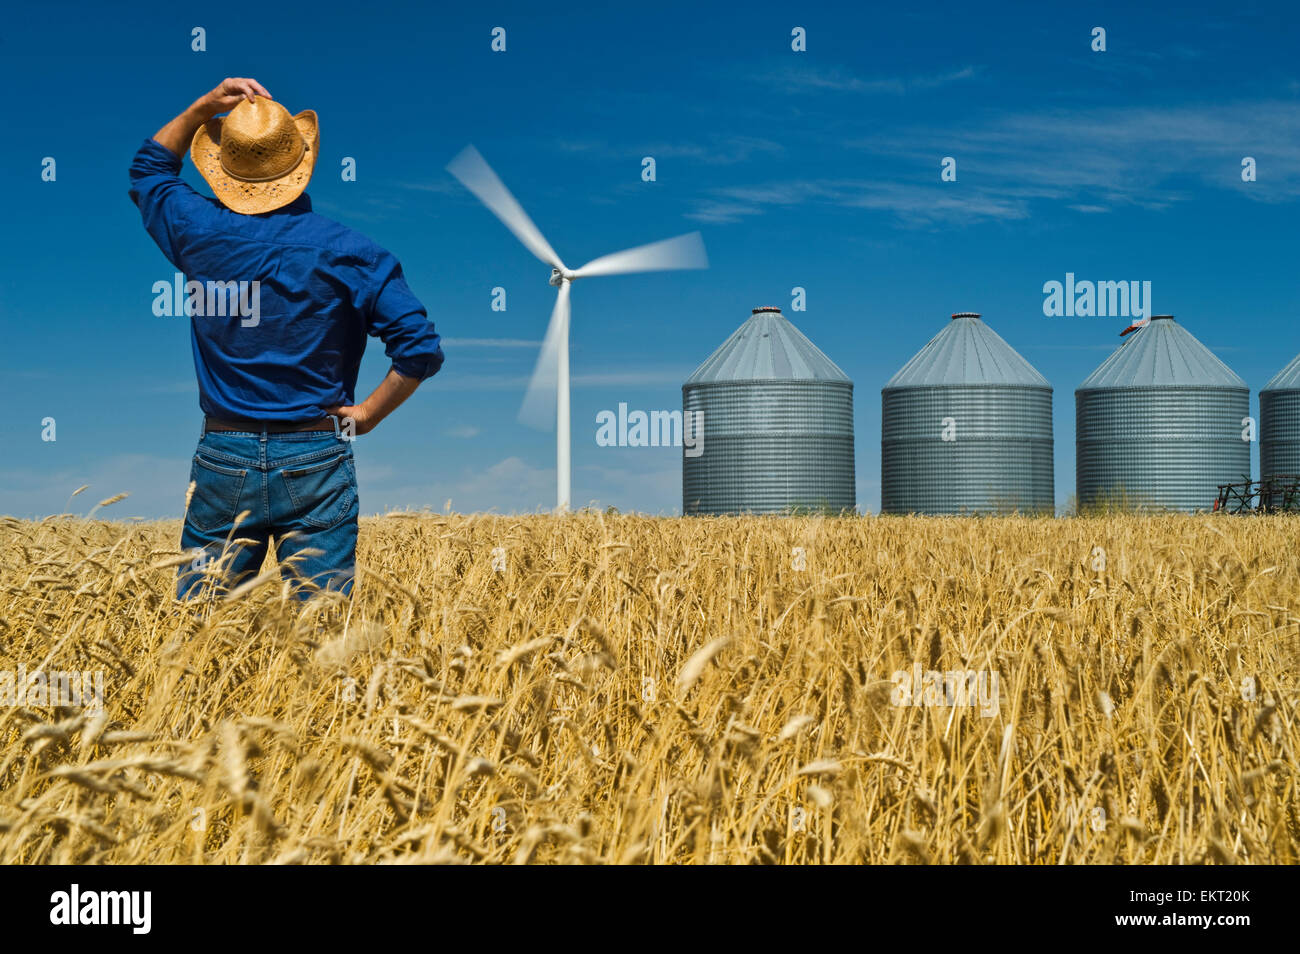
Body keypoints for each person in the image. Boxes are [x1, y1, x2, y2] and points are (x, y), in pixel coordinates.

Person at [128, 77, 444, 599]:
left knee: (204, 636)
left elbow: (149, 169)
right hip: (320, 445)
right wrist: (367, 414)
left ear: (226, 169)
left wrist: (205, 105)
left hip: (223, 448)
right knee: (320, 641)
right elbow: (419, 347)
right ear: (301, 162)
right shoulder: (353, 251)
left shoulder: (198, 232)